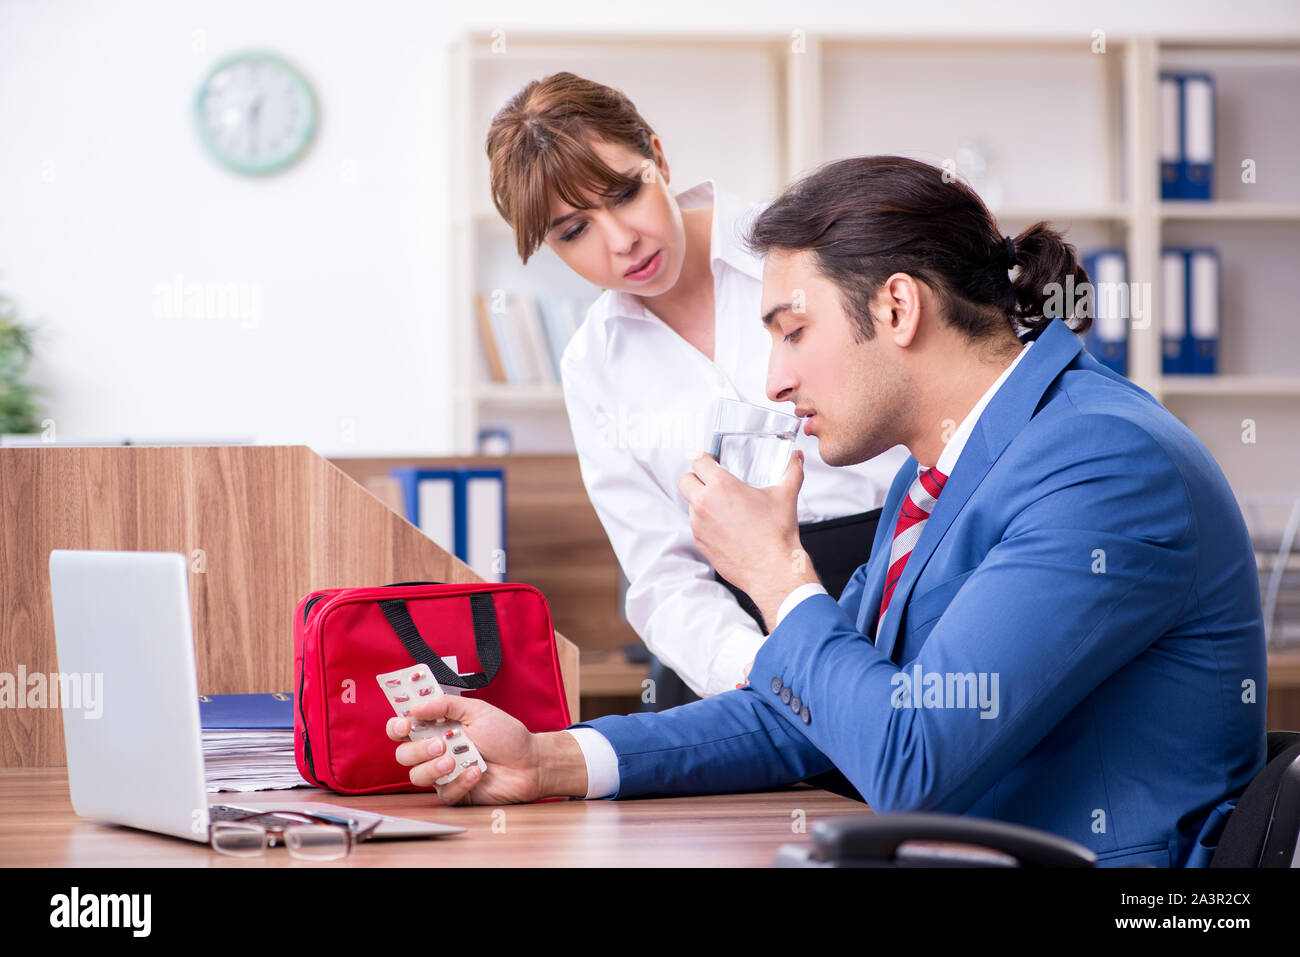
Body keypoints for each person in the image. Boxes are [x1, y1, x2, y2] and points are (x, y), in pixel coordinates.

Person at [395, 155, 1267, 868]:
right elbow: (809, 710)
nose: (773, 380)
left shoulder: (1101, 464)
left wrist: (779, 579)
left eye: (791, 331)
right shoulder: (936, 474)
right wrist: (550, 756)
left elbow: (909, 762)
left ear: (896, 306)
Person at [484, 73, 908, 702]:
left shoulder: (811, 246)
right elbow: (662, 575)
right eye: (573, 231)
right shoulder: (593, 363)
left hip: (902, 579)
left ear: (658, 156)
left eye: (626, 192)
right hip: (737, 643)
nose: (621, 240)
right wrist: (759, 670)